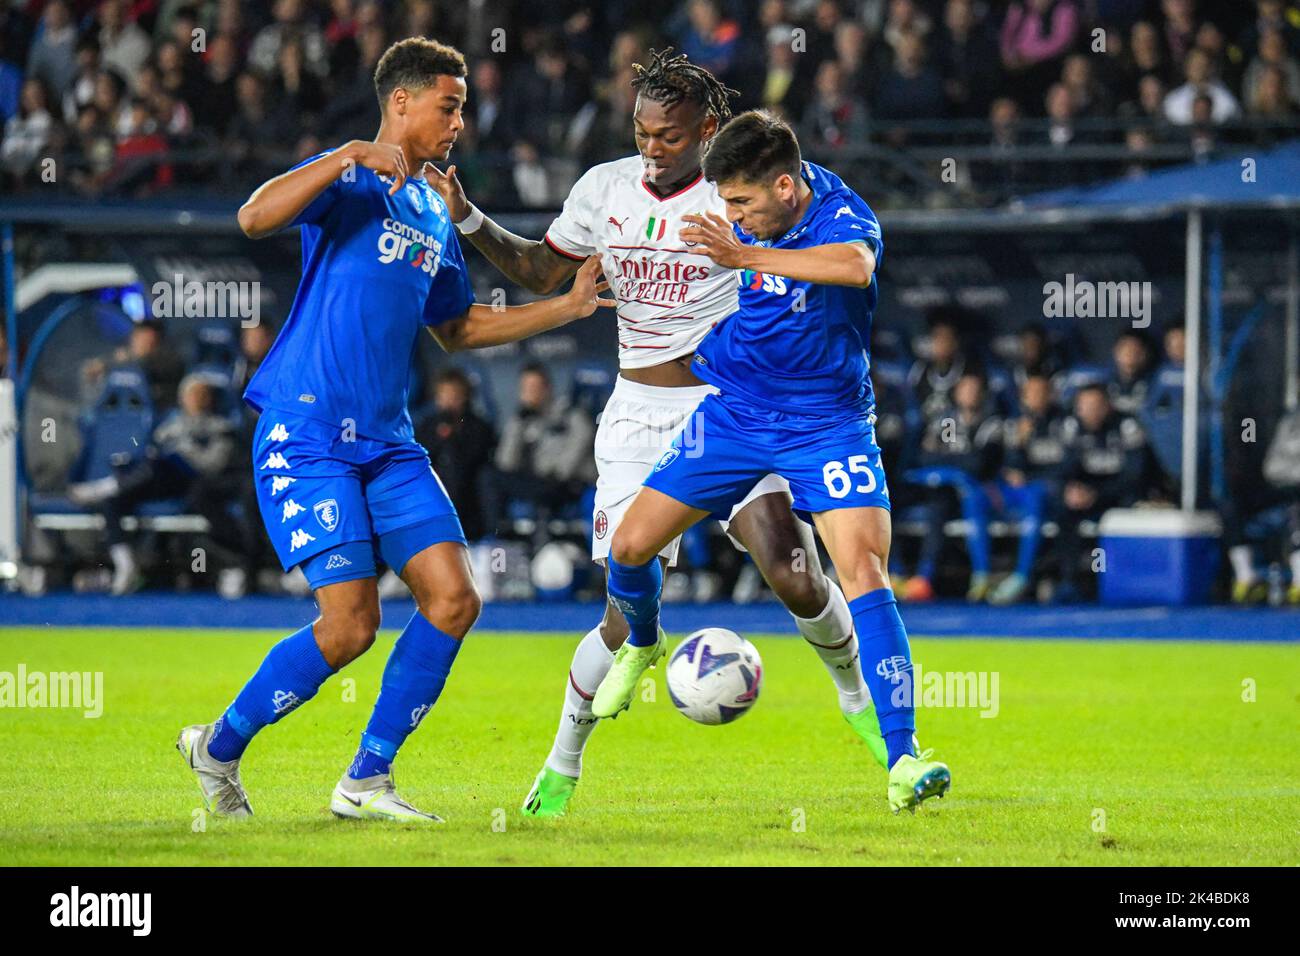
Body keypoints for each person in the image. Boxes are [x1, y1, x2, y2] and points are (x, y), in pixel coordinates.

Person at [427, 50, 893, 819]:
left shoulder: (738, 193)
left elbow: (821, 240)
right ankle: (561, 764)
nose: (652, 147)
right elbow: (546, 274)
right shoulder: (602, 189)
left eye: (669, 136)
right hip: (638, 416)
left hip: (734, 404)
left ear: (708, 130)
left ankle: (858, 702)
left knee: (793, 567)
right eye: (642, 132)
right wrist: (470, 219)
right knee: (620, 615)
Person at [176, 37, 611, 824]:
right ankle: (219, 746)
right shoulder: (348, 180)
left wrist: (567, 307)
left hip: (388, 442)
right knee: (349, 628)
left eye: (465, 108)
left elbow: (459, 328)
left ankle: (364, 780)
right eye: (449, 106)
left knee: (453, 599)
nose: (460, 122)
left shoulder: (433, 212)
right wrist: (347, 153)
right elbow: (252, 217)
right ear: (401, 102)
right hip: (307, 434)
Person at [590, 110, 951, 814]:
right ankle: (641, 642)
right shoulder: (751, 206)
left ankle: (905, 756)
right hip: (736, 412)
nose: (733, 216)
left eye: (744, 203)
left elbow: (854, 268)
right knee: (629, 549)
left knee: (864, 573)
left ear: (786, 187)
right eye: (725, 203)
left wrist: (742, 256)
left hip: (828, 425)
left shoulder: (844, 217)